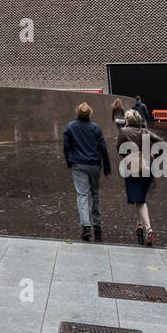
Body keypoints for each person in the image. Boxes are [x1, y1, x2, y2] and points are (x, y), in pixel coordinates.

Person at [63, 101, 112, 242]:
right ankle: (97, 224)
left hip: (78, 164)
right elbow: (103, 148)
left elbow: (66, 147)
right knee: (95, 193)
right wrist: (107, 168)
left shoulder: (70, 127)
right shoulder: (96, 128)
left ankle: (86, 227)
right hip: (95, 164)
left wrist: (69, 162)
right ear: (89, 113)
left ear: (77, 112)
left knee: (82, 195)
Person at [118, 109, 166, 246]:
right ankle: (139, 226)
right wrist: (153, 156)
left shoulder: (124, 131)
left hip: (133, 168)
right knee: (139, 197)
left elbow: (119, 149)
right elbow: (161, 143)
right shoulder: (145, 131)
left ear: (128, 120)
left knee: (140, 201)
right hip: (148, 168)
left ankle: (148, 229)